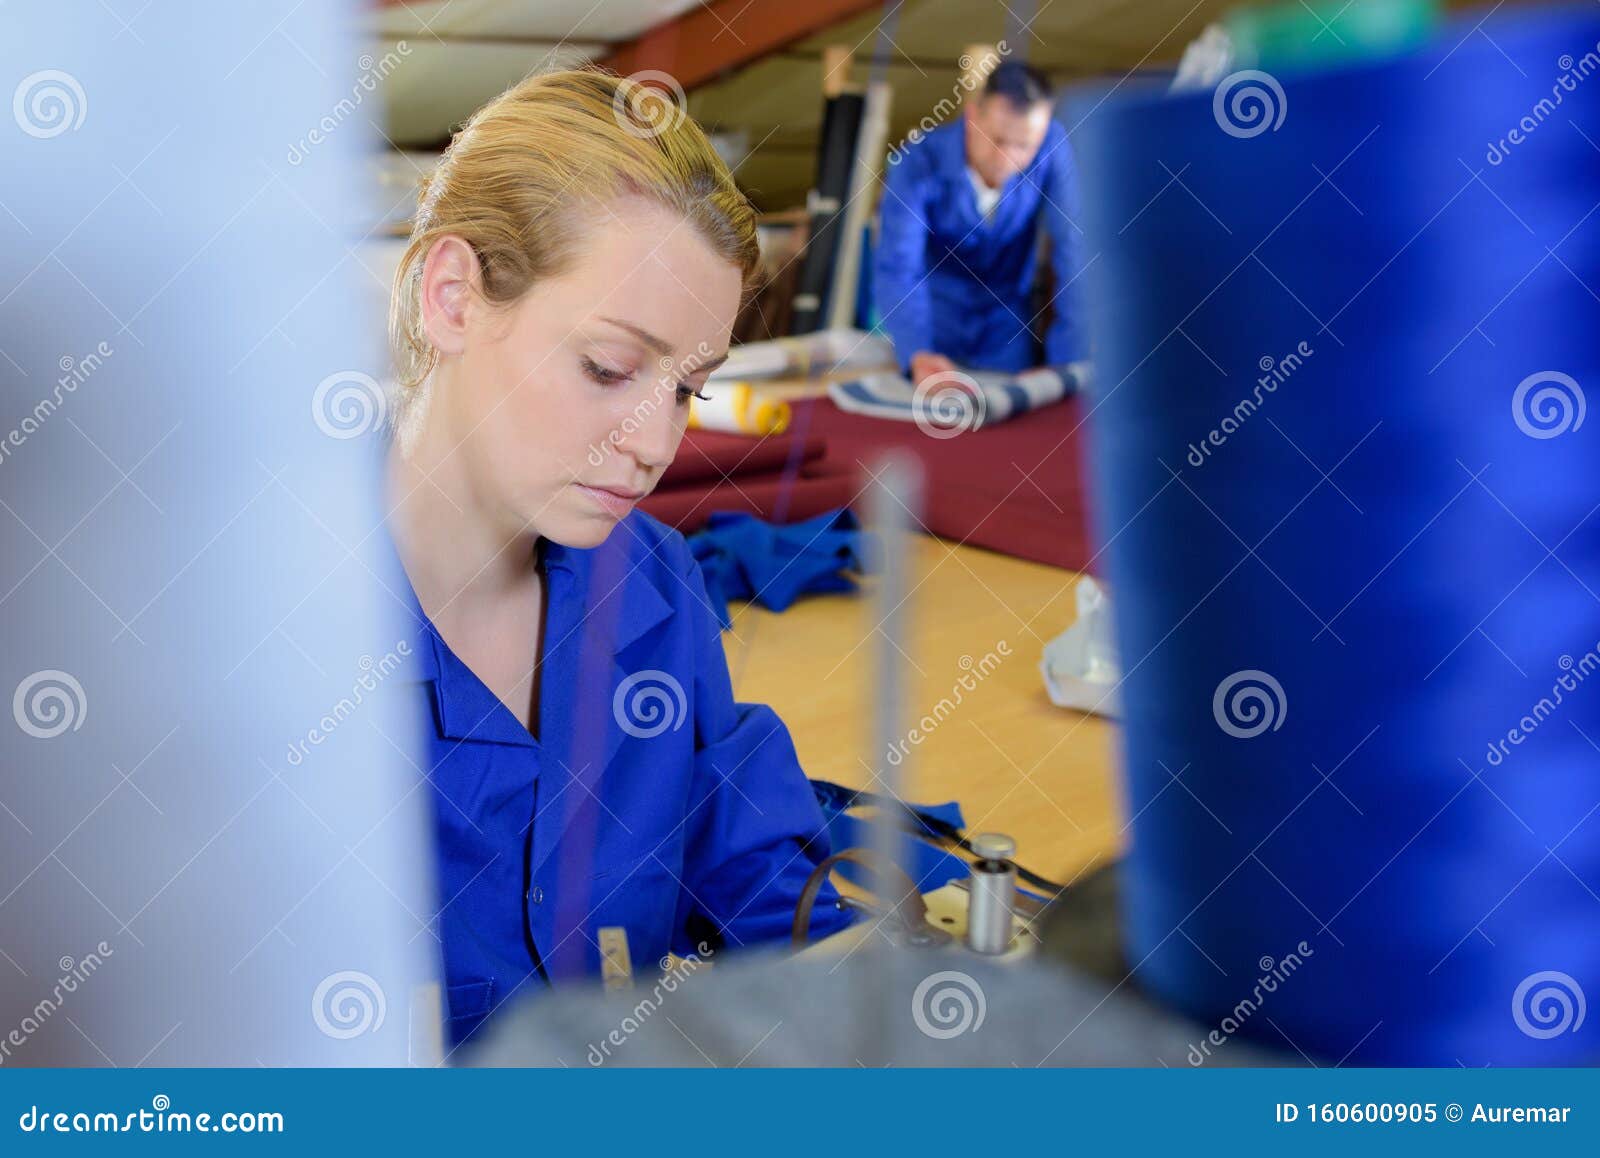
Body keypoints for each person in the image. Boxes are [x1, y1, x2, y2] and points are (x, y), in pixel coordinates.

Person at [382, 69, 854, 1049]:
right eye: (608, 368)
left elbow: (750, 862)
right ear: (452, 297)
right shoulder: (256, 633)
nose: (654, 445)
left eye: (687, 389)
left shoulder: (649, 584)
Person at [874, 61, 1086, 385]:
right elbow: (899, 266)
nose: (1007, 158)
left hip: (1007, 331)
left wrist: (1069, 365)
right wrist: (916, 351)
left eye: (1024, 146)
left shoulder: (1053, 146)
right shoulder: (917, 161)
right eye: (998, 140)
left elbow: (1075, 254)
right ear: (973, 117)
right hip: (934, 328)